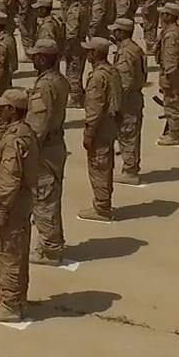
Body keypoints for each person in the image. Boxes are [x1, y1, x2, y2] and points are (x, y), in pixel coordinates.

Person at [0, 88, 37, 323]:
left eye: (3, 107)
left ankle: (10, 305)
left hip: (12, 204)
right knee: (18, 252)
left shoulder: (14, 139)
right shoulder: (26, 132)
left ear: (12, 110)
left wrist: (2, 209)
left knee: (8, 254)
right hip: (22, 202)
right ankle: (18, 298)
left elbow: (10, 179)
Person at [25, 37, 69, 267]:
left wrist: (27, 151)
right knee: (50, 196)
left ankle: (50, 250)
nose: (33, 59)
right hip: (55, 145)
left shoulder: (45, 86)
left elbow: (38, 125)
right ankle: (50, 242)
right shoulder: (59, 80)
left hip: (45, 149)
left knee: (44, 198)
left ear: (43, 59)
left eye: (36, 56)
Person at [78, 35, 123, 224]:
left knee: (99, 165)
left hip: (100, 126)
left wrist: (88, 133)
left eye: (89, 51)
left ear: (96, 53)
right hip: (110, 124)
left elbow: (94, 109)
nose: (87, 54)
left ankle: (102, 207)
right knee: (105, 163)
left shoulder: (97, 77)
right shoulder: (111, 71)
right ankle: (103, 203)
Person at [112, 16, 149, 184]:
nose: (114, 33)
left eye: (116, 31)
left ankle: (130, 170)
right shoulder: (134, 48)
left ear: (121, 32)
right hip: (134, 96)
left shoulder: (126, 52)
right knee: (130, 133)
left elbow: (124, 82)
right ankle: (131, 167)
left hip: (127, 100)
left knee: (127, 134)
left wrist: (115, 103)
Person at [154, 1, 179, 146]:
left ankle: (173, 134)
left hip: (172, 75)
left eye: (163, 14)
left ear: (169, 16)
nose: (161, 16)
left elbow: (171, 58)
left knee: (172, 103)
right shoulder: (171, 31)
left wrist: (167, 76)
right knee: (171, 102)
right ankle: (171, 131)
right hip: (173, 74)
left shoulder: (172, 34)